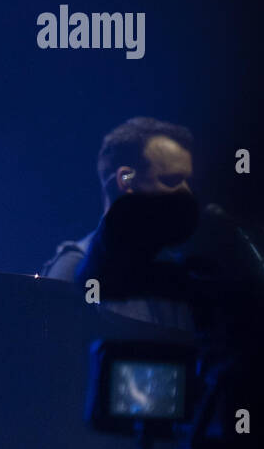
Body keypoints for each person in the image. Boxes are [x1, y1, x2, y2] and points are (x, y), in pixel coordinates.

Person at [39, 116, 195, 330]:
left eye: (187, 181)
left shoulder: (173, 270)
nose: (186, 192)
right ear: (126, 179)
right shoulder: (74, 266)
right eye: (170, 180)